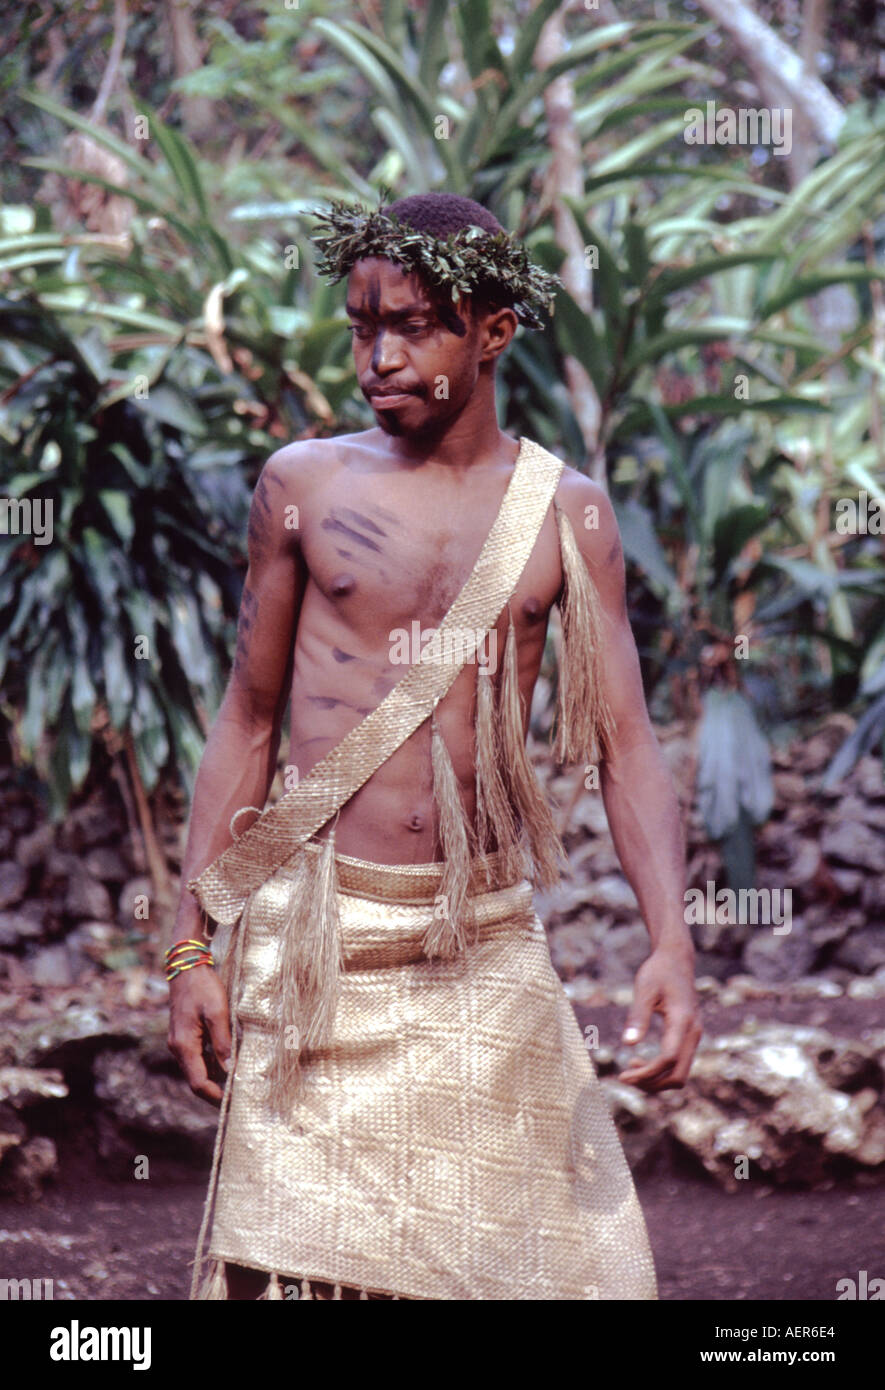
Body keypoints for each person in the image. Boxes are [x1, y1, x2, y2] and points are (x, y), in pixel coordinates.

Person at [167, 192, 701, 1301]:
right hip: (316, 943)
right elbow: (248, 721)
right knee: (296, 1270)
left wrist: (672, 944)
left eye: (412, 325)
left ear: (493, 330)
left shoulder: (568, 514)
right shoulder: (306, 486)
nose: (379, 355)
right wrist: (188, 949)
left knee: (557, 1272)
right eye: (362, 326)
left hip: (481, 940)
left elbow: (626, 743)